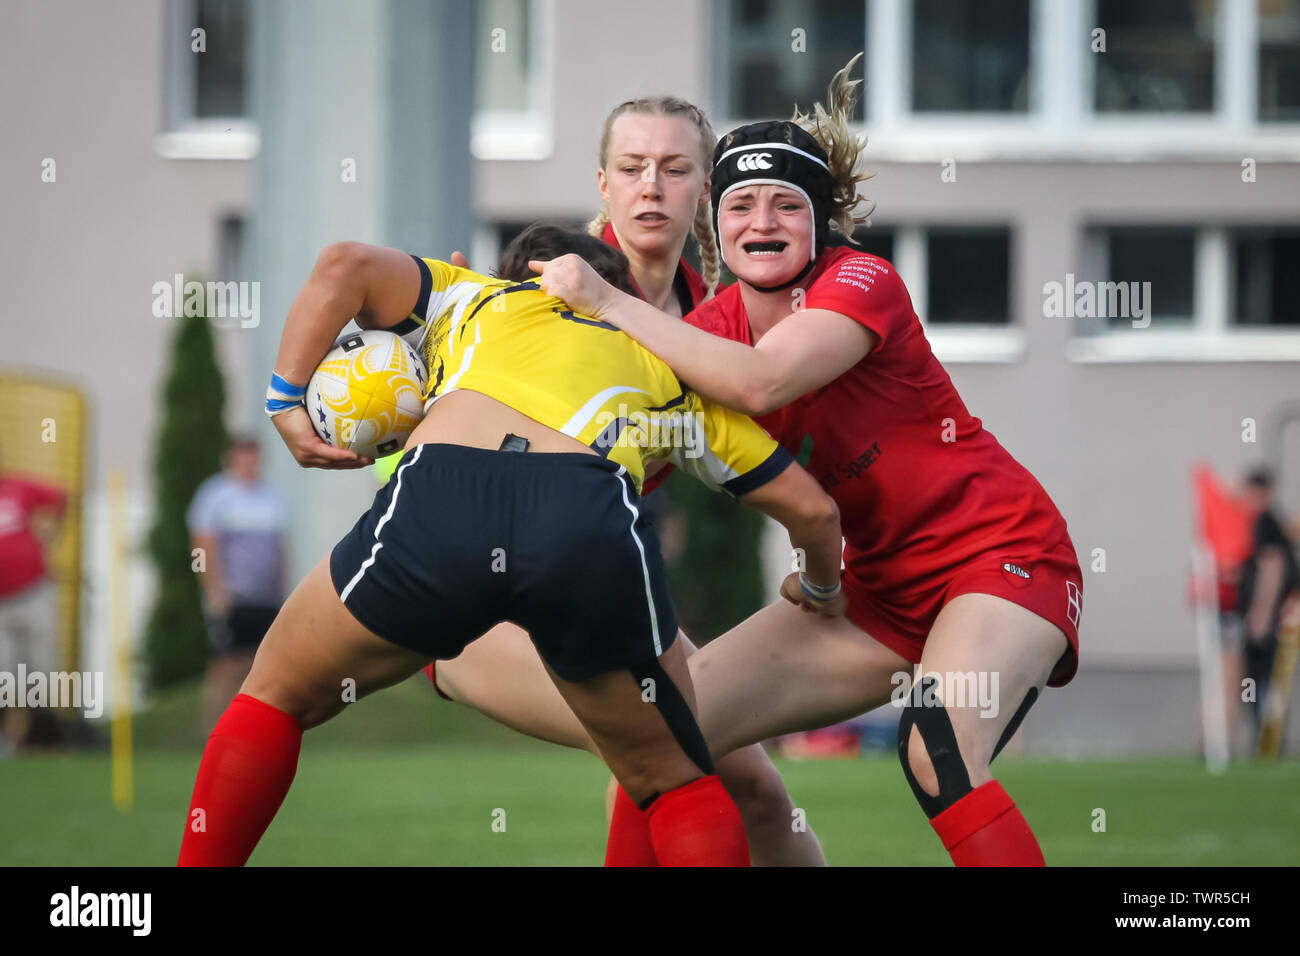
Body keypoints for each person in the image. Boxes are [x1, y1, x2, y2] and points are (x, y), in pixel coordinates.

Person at [530, 54, 1085, 866]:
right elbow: (610, 438)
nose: (764, 220)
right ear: (718, 223)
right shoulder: (710, 330)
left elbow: (762, 382)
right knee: (658, 741)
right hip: (876, 595)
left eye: (787, 205)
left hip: (998, 555)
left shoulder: (860, 279)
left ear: (819, 222)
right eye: (742, 203)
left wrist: (608, 301)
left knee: (935, 750)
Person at [177, 229, 845, 866]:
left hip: (444, 501)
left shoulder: (474, 297)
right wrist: (819, 587)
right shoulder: (670, 371)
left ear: (517, 276)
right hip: (585, 519)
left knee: (273, 695)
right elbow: (814, 512)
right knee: (673, 781)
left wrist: (285, 401)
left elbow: (342, 264)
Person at [431, 96, 829, 865]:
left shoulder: (711, 319)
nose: (652, 186)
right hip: (477, 600)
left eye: (676, 169)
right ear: (603, 185)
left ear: (705, 193)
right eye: (632, 167)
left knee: (761, 795)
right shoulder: (546, 286)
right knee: (657, 754)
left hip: (587, 585)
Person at [186, 436, 290, 733]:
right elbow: (203, 548)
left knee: (259, 663)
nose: (249, 463)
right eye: (243, 456)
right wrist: (214, 591)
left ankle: (247, 730)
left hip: (265, 598)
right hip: (233, 597)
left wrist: (282, 591)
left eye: (254, 456)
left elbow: (280, 551)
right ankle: (213, 731)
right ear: (231, 458)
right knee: (226, 664)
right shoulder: (215, 496)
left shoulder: (272, 498)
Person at [0, 467, 66, 754]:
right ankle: (6, 738)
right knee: (4, 671)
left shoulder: (17, 487)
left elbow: (60, 496)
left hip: (33, 591)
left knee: (38, 667)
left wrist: (49, 534)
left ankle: (39, 740)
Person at [1237, 467, 1300, 736]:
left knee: (1262, 675)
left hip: (1274, 615)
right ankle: (1269, 738)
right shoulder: (1273, 521)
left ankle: (1268, 739)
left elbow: (1272, 568)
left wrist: (1261, 614)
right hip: (1283, 611)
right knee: (1268, 677)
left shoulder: (1264, 520)